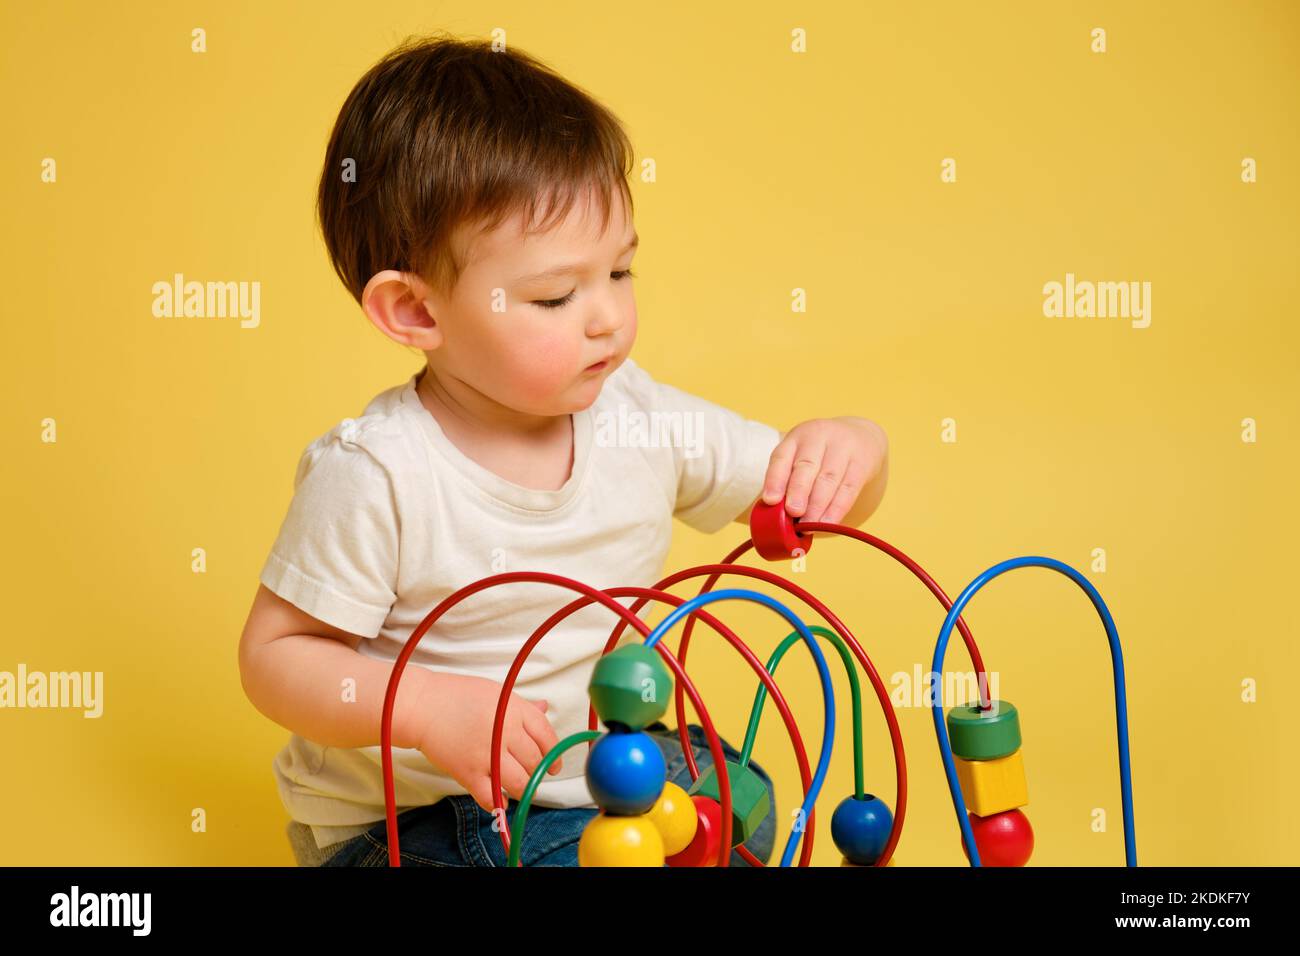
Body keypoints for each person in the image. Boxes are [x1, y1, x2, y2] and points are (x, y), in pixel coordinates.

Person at [237, 33, 889, 867]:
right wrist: (427, 708)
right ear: (416, 313)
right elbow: (275, 659)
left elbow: (798, 493)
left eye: (619, 273)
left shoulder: (637, 414)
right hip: (427, 813)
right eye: (554, 294)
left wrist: (852, 453)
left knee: (750, 806)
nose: (607, 317)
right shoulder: (378, 473)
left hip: (594, 768)